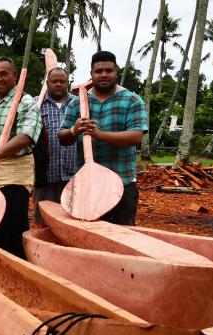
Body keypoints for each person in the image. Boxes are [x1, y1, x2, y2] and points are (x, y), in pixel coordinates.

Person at [59, 51, 148, 225]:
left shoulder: (132, 100)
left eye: (109, 70)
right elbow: (62, 137)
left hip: (121, 182)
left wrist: (99, 135)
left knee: (122, 236)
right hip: (85, 184)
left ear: (117, 73)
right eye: (99, 71)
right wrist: (73, 130)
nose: (104, 74)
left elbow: (136, 137)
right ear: (91, 74)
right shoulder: (77, 102)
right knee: (85, 234)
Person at [0, 56, 42, 258]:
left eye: (3, 74)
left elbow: (26, 136)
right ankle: (1, 273)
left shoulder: (25, 101)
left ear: (15, 75)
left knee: (13, 229)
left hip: (15, 174)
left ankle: (18, 277)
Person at [34, 66, 77, 223]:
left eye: (62, 81)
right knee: (45, 222)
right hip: (46, 175)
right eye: (54, 81)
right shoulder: (35, 105)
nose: (58, 84)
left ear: (68, 83)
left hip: (74, 176)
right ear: (47, 83)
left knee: (72, 222)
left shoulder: (78, 103)